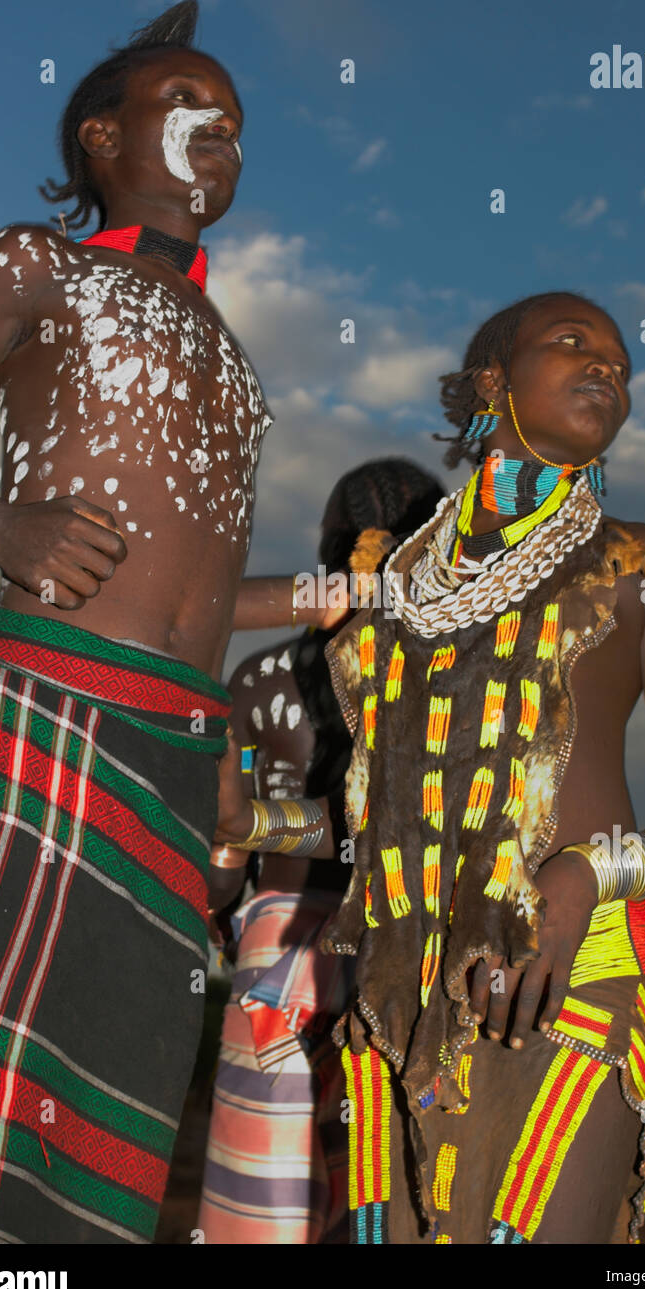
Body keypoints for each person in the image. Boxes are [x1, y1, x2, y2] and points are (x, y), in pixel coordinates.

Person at [214, 291, 645, 1245]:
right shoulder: (396, 594)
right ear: (493, 383)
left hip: (574, 979)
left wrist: (589, 875)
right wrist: (253, 825)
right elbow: (387, 820)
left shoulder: (641, 564)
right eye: (573, 343)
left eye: (624, 363)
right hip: (401, 1001)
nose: (608, 369)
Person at [0, 0, 318, 1244]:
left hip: (176, 763)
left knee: (107, 1135)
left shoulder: (234, 355)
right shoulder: (40, 264)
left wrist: (334, 602)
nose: (224, 136)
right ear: (101, 135)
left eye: (238, 124)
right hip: (37, 712)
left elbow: (192, 590)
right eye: (190, 106)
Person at [199, 457, 444, 1244]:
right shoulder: (454, 677)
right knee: (388, 1198)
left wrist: (227, 881)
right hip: (411, 957)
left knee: (261, 1210)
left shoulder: (256, 678)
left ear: (325, 546)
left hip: (279, 963)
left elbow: (223, 852)